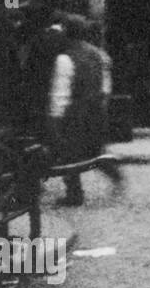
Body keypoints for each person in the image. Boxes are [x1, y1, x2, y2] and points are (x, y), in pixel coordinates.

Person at [45, 15, 109, 206]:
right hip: (95, 111)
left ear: (68, 33)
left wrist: (54, 119)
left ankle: (74, 194)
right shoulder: (99, 54)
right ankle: (112, 171)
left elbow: (60, 94)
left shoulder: (65, 58)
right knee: (94, 150)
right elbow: (105, 88)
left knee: (68, 153)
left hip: (74, 114)